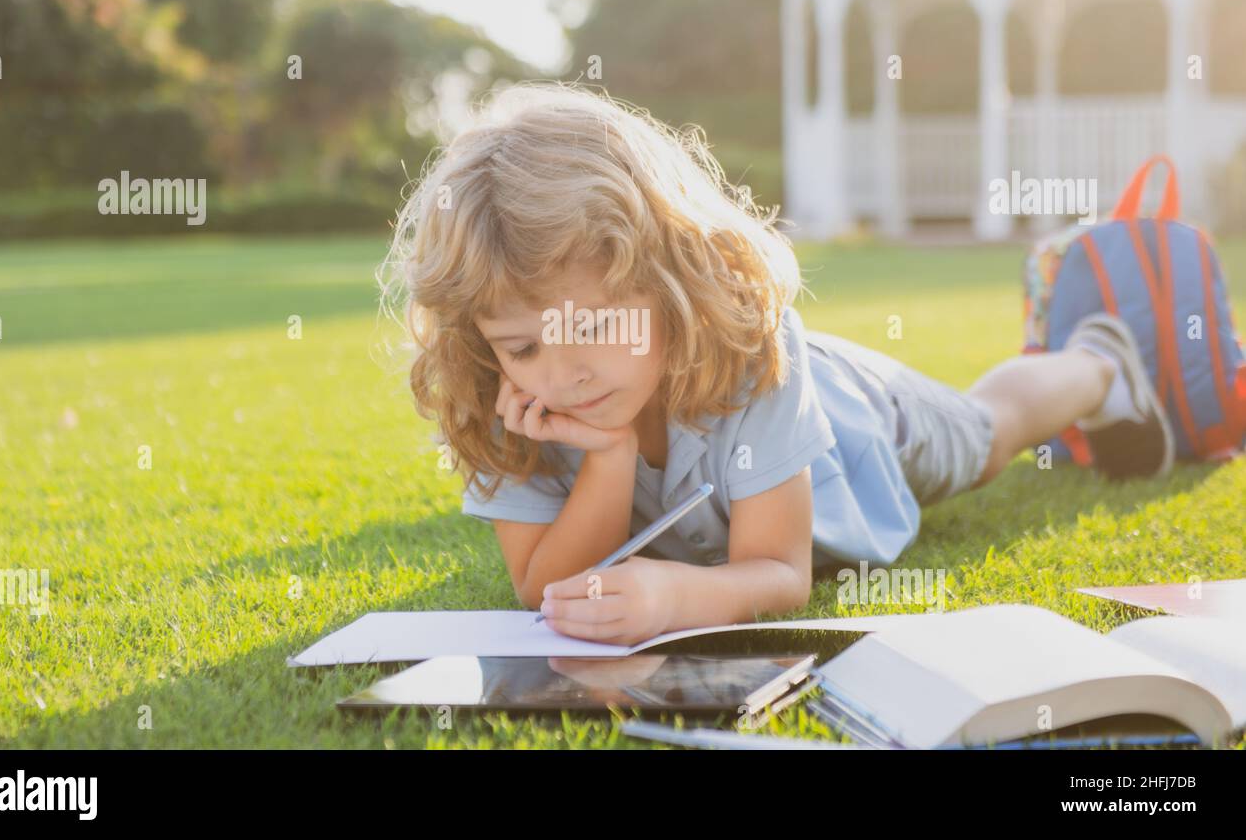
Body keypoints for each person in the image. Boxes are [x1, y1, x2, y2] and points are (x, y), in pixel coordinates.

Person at [378, 82, 1172, 647]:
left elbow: (780, 570)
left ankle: (1099, 359)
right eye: (523, 346)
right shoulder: (505, 392)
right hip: (723, 472)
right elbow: (540, 587)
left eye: (593, 324)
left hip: (856, 426)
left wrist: (675, 595)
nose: (564, 374)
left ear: (664, 277)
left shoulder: (753, 348)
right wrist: (610, 459)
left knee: (988, 435)